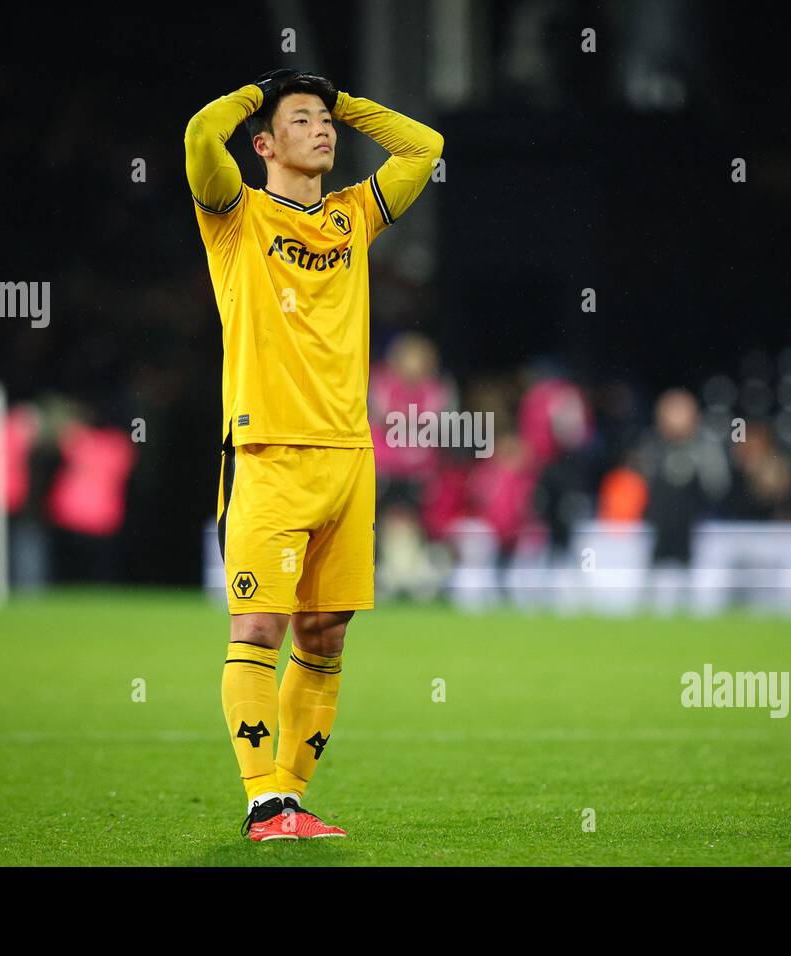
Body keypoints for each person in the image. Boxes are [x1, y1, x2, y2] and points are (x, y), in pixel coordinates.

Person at [184, 70, 443, 839]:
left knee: (325, 635)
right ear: (263, 144)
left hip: (349, 457)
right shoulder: (236, 217)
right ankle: (262, 797)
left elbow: (425, 148)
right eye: (303, 120)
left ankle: (292, 798)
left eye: (328, 121)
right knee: (258, 627)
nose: (324, 130)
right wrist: (258, 90)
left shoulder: (351, 216)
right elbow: (201, 136)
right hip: (268, 452)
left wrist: (348, 103)